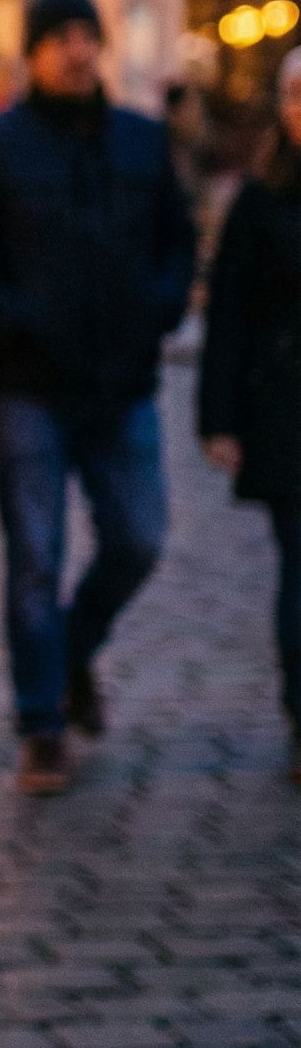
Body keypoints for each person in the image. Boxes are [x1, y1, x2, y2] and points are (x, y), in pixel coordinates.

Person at [0, 0, 197, 795]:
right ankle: (41, 722)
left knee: (138, 539)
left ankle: (71, 652)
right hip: (30, 386)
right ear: (34, 53)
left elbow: (178, 241)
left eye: (88, 35)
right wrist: (13, 314)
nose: (77, 50)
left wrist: (158, 308)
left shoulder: (142, 140)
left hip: (124, 382)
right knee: (35, 560)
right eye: (61, 37)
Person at [198, 47, 301, 786]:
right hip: (286, 409)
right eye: (295, 95)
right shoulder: (261, 200)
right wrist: (219, 419)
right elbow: (229, 313)